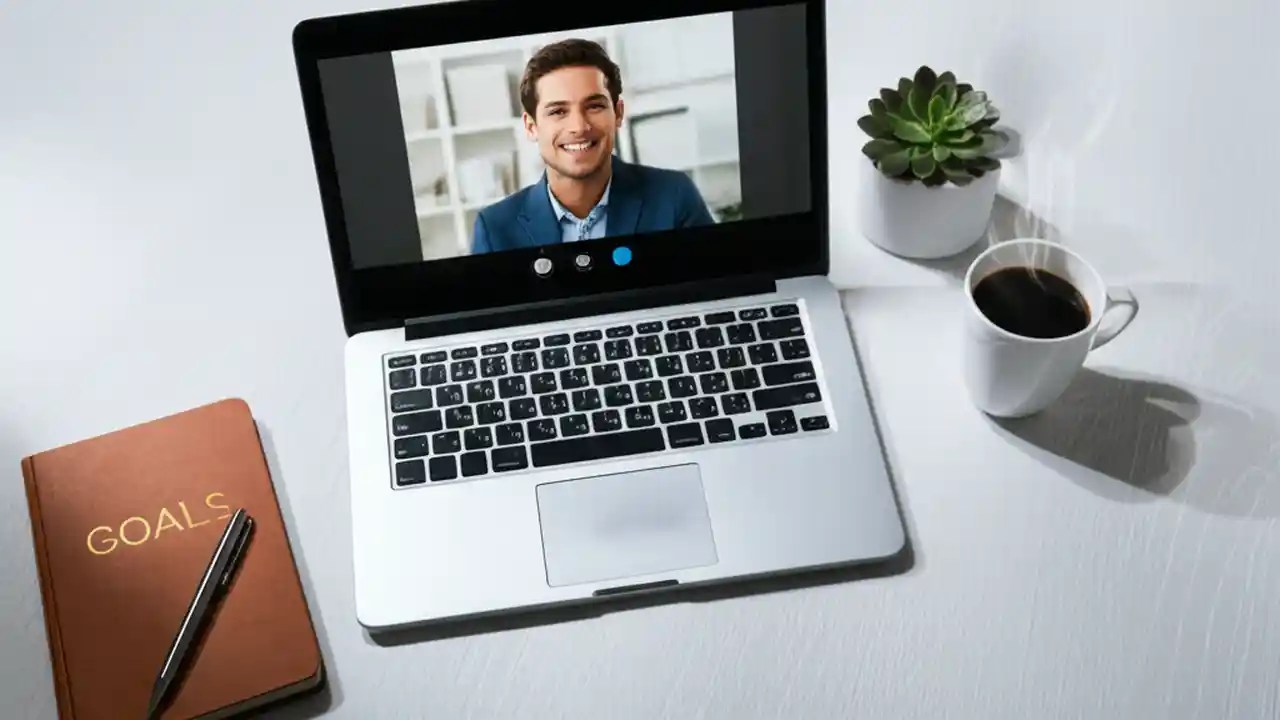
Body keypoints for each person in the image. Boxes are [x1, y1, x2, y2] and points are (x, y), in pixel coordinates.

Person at [471, 39, 714, 254]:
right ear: (531, 126)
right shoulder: (494, 228)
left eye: (594, 106)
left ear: (618, 113)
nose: (578, 126)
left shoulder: (673, 197)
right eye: (558, 111)